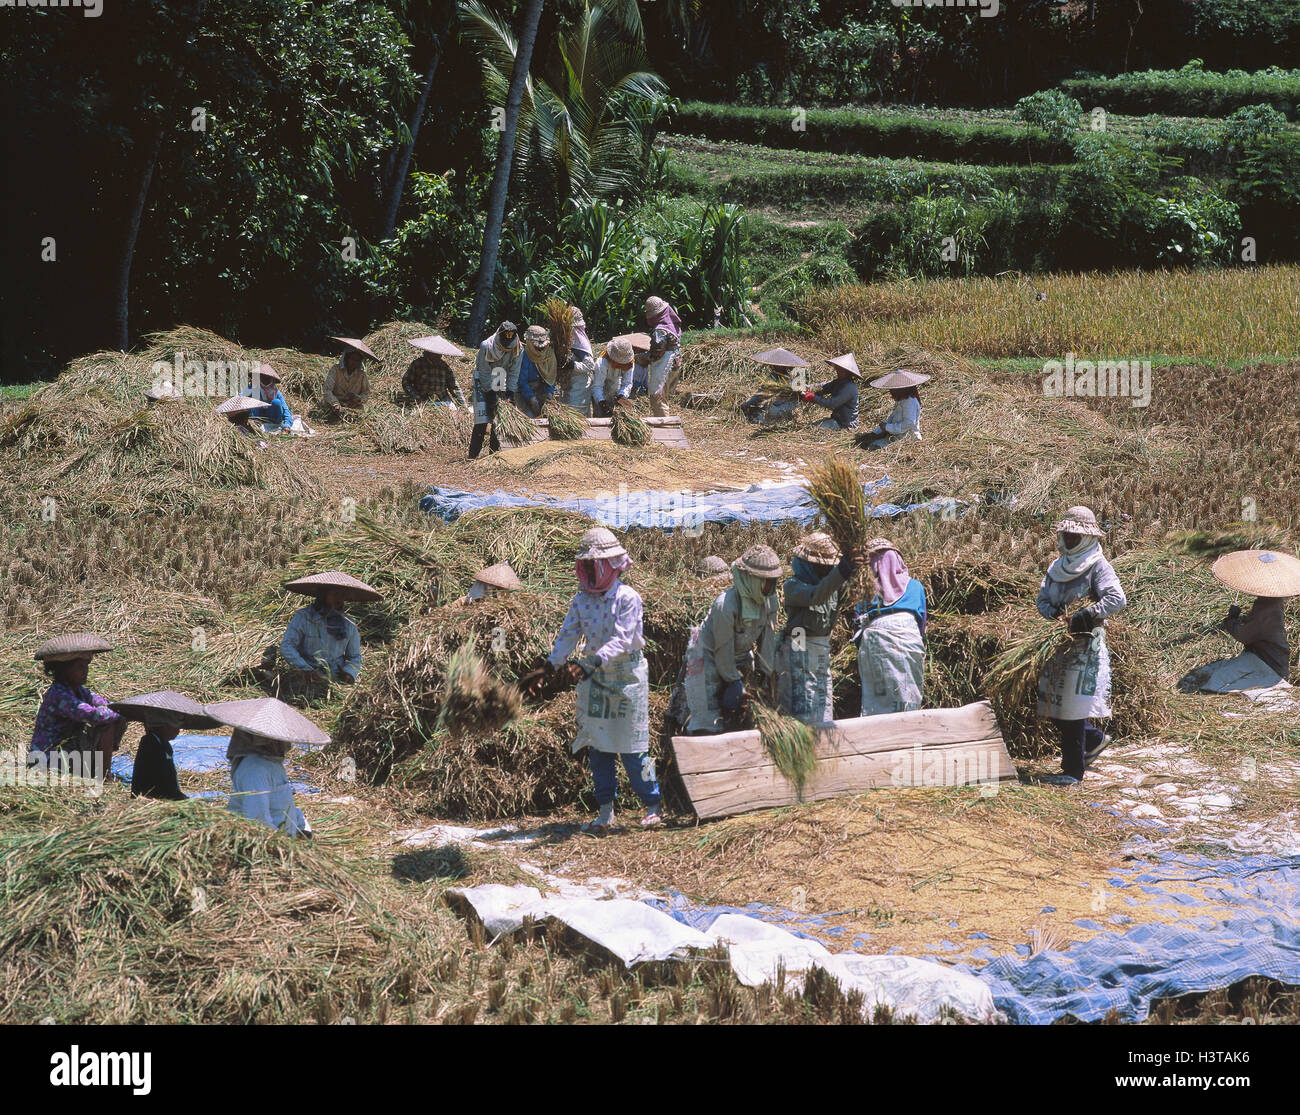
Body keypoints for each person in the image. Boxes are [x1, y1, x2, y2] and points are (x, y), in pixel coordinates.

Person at [533, 527, 659, 834]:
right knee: (599, 747)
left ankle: (653, 804)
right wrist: (551, 666)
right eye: (586, 565)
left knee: (633, 748)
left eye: (595, 565)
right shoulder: (581, 600)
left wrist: (588, 662)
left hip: (626, 678)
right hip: (595, 679)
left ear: (612, 565)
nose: (589, 570)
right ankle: (605, 811)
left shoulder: (628, 598)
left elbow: (623, 639)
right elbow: (568, 634)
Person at [1035, 506, 1127, 785]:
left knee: (1073, 707)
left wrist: (1086, 614)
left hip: (1085, 643)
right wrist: (1052, 612)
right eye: (1066, 534)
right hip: (1058, 642)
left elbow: (1117, 599)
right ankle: (1095, 739)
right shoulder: (1057, 566)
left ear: (1087, 539)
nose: (1069, 539)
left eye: (1074, 535)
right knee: (1053, 702)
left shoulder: (1098, 565)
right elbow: (1041, 599)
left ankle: (1072, 771)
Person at [681, 545, 783, 734]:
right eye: (766, 581)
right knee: (706, 719)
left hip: (741, 654)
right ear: (751, 580)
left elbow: (767, 642)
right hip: (707, 655)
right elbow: (722, 650)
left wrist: (767, 676)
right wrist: (734, 682)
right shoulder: (726, 605)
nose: (771, 587)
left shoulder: (770, 601)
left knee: (743, 716)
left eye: (773, 581)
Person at [207, 697, 329, 838]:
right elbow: (257, 823)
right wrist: (288, 846)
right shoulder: (255, 770)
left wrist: (302, 829)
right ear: (264, 740)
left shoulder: (272, 764)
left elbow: (284, 808)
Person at [1181, 550, 1300, 693]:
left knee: (1219, 678)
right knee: (1222, 671)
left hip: (1270, 664)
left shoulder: (1266, 610)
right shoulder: (1272, 601)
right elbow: (1258, 627)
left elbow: (1243, 635)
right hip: (1267, 656)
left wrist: (1232, 620)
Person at [776, 532, 860, 725]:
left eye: (828, 568)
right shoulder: (793, 585)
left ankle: (823, 732)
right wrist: (841, 571)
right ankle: (803, 735)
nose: (825, 572)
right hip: (799, 638)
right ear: (808, 565)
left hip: (822, 644)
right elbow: (816, 596)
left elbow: (849, 593)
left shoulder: (832, 585)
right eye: (820, 567)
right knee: (803, 689)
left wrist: (856, 569)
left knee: (822, 691)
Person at [28, 633, 126, 779]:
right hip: (49, 758)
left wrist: (119, 709)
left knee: (113, 719)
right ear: (64, 670)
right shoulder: (59, 695)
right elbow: (92, 715)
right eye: (80, 667)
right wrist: (120, 714)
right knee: (107, 724)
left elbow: (101, 702)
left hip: (68, 749)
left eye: (86, 666)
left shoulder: (78, 690)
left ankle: (99, 772)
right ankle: (104, 777)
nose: (85, 671)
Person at [855, 539, 927, 717]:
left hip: (873, 638)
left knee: (876, 702)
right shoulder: (915, 585)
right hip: (908, 635)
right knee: (908, 695)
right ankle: (907, 731)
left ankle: (879, 738)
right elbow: (921, 623)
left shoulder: (864, 590)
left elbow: (857, 622)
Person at [278, 571, 379, 697]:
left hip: (334, 683)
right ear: (322, 595)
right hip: (305, 679)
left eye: (342, 595)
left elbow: (354, 657)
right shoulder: (304, 618)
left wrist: (349, 673)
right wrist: (306, 669)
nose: (339, 600)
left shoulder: (349, 624)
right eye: (335, 594)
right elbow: (287, 646)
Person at [111, 690, 220, 802]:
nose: (178, 731)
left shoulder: (163, 744)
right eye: (175, 727)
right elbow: (157, 779)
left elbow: (169, 779)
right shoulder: (149, 744)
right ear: (163, 726)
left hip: (166, 797)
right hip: (151, 799)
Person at [468, 321, 521, 459]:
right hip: (483, 379)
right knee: (482, 420)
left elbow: (514, 372)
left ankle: (494, 455)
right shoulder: (487, 346)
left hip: (499, 376)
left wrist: (510, 393)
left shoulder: (518, 348)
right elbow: (484, 371)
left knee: (498, 419)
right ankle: (473, 456)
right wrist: (490, 394)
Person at [861, 369, 928, 450]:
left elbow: (909, 423)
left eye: (893, 389)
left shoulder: (910, 402)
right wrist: (881, 428)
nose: (891, 391)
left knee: (871, 447)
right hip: (897, 436)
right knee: (868, 443)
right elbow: (893, 417)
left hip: (908, 439)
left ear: (901, 389)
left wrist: (888, 427)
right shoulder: (902, 400)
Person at [643, 296, 683, 418]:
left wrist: (643, 357)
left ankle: (663, 425)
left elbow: (657, 353)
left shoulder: (660, 330)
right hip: (675, 363)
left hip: (665, 365)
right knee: (665, 396)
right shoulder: (671, 326)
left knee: (657, 397)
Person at [801, 353, 861, 431]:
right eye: (837, 368)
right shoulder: (838, 382)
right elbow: (822, 387)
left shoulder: (849, 387)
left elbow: (832, 404)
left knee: (813, 430)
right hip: (836, 420)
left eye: (840, 369)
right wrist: (805, 387)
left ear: (847, 372)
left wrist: (814, 397)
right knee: (811, 427)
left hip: (846, 425)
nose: (837, 370)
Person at [403, 336, 468, 405]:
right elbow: (406, 381)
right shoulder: (417, 364)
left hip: (442, 401)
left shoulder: (444, 366)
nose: (439, 356)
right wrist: (415, 396)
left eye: (439, 354)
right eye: (435, 354)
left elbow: (454, 386)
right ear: (428, 353)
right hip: (423, 401)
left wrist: (463, 405)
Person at [322, 337, 377, 415]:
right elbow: (327, 390)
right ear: (346, 358)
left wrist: (357, 398)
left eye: (357, 360)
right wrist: (335, 404)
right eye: (352, 359)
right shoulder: (336, 369)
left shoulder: (362, 375)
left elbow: (366, 393)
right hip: (335, 404)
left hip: (353, 406)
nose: (354, 362)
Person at [558, 306, 596, 414]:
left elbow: (589, 365)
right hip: (569, 383)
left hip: (580, 385)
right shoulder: (567, 342)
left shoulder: (581, 344)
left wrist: (572, 365)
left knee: (576, 413)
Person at [517, 325, 559, 418]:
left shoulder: (549, 355)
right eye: (537, 346)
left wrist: (549, 394)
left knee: (549, 417)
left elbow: (551, 378)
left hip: (543, 391)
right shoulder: (523, 356)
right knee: (529, 417)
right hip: (525, 393)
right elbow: (522, 381)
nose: (540, 349)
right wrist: (531, 399)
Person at [590, 336, 636, 419]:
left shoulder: (629, 363)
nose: (620, 365)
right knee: (600, 416)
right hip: (601, 390)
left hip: (615, 387)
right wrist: (601, 402)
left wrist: (622, 396)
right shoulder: (602, 362)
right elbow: (597, 386)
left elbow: (627, 383)